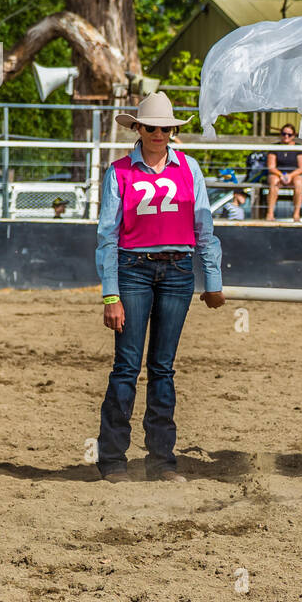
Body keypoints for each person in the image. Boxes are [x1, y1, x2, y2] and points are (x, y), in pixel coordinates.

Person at [95, 92, 225, 483]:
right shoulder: (118, 173)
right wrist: (111, 294)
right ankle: (114, 461)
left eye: (165, 128)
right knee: (126, 367)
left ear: (172, 131)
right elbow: (107, 236)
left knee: (163, 369)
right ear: (137, 128)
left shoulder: (190, 169)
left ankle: (161, 463)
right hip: (132, 270)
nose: (159, 133)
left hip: (178, 271)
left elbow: (204, 229)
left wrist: (212, 280)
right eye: (151, 126)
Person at [265, 124, 302, 222]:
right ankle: (270, 213)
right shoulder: (274, 147)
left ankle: (296, 214)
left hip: (294, 175)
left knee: (299, 182)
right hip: (277, 174)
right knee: (274, 181)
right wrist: (282, 175)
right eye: (284, 134)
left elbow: (301, 168)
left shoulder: (298, 148)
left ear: (293, 136)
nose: (286, 136)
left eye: (289, 134)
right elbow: (271, 167)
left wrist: (290, 176)